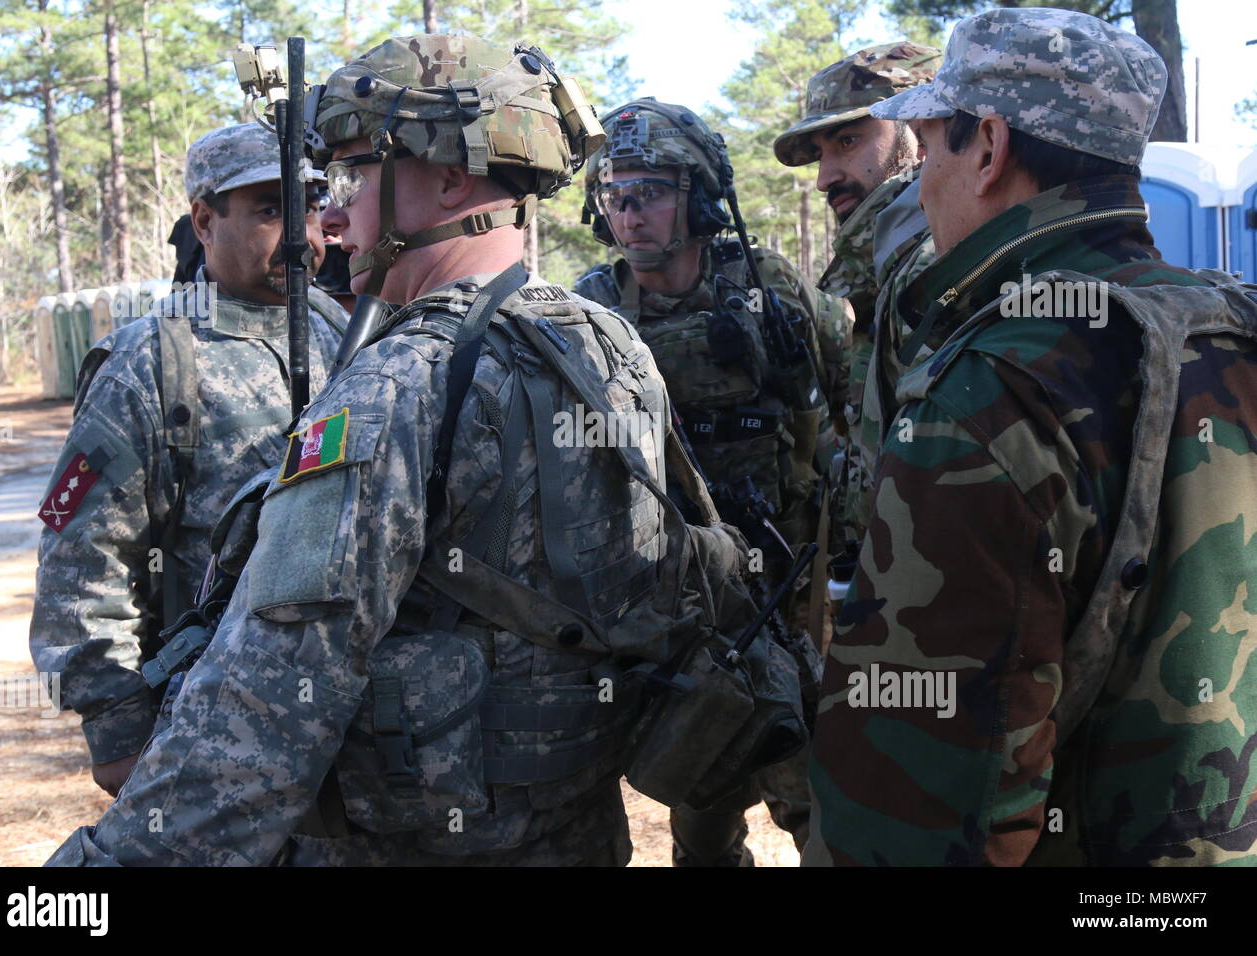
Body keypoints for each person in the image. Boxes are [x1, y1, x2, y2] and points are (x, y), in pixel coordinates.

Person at [46, 33, 737, 867]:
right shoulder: (607, 342)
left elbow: (260, 714)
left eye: (350, 176)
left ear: (450, 175)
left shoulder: (396, 384)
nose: (328, 216)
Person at [805, 6, 1257, 866]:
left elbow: (921, 813)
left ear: (989, 149)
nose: (923, 181)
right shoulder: (1229, 327)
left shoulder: (989, 389)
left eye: (932, 145)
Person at [29, 122, 347, 797]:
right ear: (204, 221)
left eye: (309, 207)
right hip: (210, 721)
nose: (300, 234)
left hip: (347, 718)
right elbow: (80, 555)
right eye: (268, 210)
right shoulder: (147, 361)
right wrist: (116, 728)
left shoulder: (343, 334)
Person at [574, 98, 834, 866]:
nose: (629, 214)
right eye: (615, 195)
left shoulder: (770, 291)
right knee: (704, 818)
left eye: (649, 191)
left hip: (782, 600)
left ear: (699, 198)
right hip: (679, 613)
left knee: (823, 810)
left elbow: (851, 410)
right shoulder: (591, 309)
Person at [773, 41, 941, 608]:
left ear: (919, 130)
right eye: (821, 152)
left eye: (847, 141)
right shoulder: (879, 271)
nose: (824, 178)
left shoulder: (941, 268)